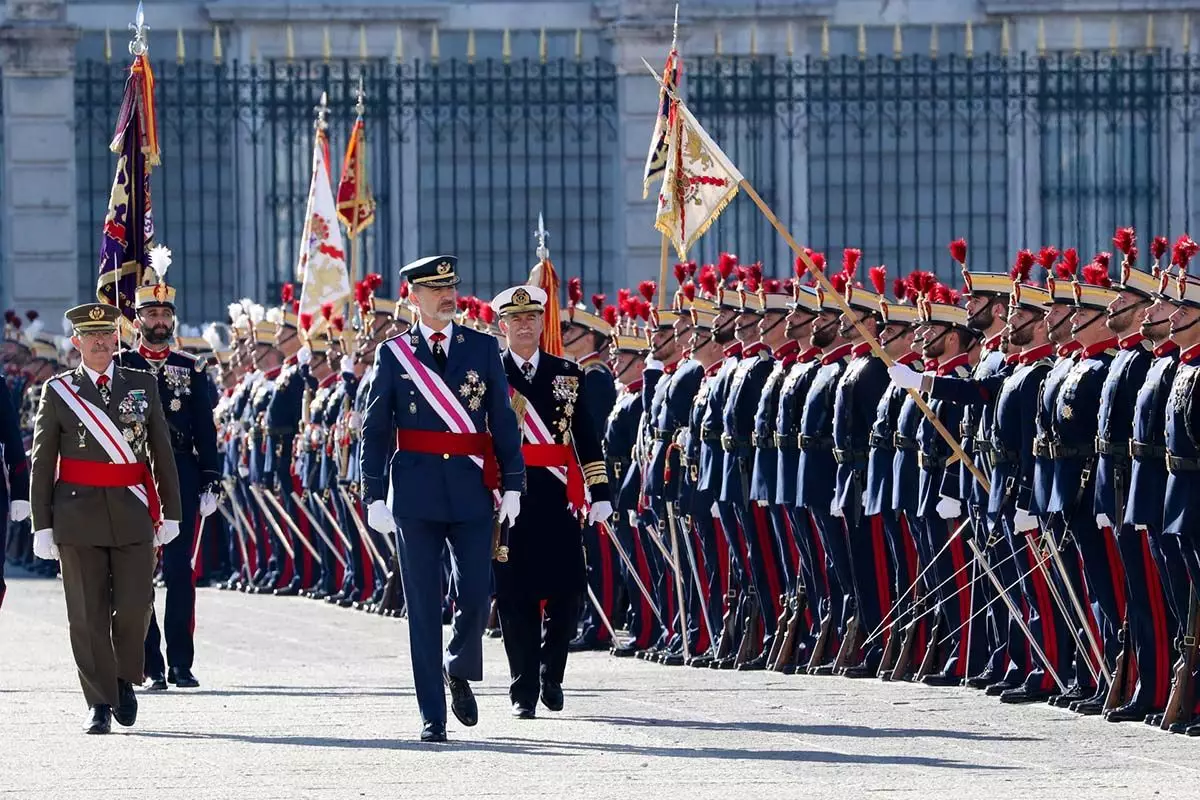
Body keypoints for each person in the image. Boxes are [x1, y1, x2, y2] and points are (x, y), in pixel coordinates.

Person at [359, 255, 524, 743]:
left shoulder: (482, 348)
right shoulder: (394, 355)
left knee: (476, 592)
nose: (448, 295)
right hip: (415, 492)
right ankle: (432, 711)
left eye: (451, 286)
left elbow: (502, 418)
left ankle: (458, 665)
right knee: (424, 607)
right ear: (413, 296)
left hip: (472, 489)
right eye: (436, 289)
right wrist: (373, 494)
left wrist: (513, 482)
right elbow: (375, 428)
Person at [30, 302, 182, 734]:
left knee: (136, 607)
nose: (99, 342)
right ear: (76, 342)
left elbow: (161, 452)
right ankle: (98, 701)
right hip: (76, 514)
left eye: (106, 335)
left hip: (132, 510)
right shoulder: (58, 392)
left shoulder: (141, 384)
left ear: (117, 338)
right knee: (86, 613)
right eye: (90, 336)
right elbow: (43, 463)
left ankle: (121, 675)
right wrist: (42, 524)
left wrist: (171, 511)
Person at [490, 284, 612, 717]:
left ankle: (552, 674)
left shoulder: (567, 373)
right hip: (509, 497)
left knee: (567, 592)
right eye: (515, 320)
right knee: (514, 596)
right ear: (502, 326)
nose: (524, 326)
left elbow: (587, 438)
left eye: (532, 318)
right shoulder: (490, 374)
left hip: (558, 496)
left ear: (543, 323)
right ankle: (523, 689)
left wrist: (600, 491)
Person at [117, 246, 221, 691]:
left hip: (180, 473)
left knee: (180, 571)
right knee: (140, 572)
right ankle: (150, 661)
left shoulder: (190, 368)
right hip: (135, 476)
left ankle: (180, 662)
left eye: (165, 313)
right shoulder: (121, 366)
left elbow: (206, 427)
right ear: (138, 319)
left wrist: (212, 479)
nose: (159, 321)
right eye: (151, 313)